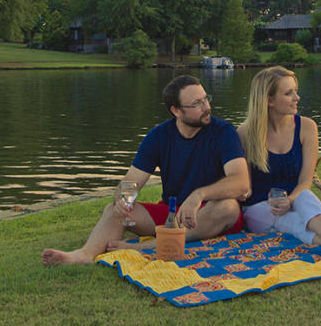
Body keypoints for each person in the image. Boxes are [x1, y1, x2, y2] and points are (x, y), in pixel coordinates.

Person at [41, 74, 250, 266]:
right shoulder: (158, 136)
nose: (206, 107)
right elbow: (131, 182)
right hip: (171, 215)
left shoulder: (223, 132)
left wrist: (199, 195)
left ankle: (145, 247)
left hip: (209, 215)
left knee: (228, 207)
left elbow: (241, 182)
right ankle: (84, 255)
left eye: (206, 99)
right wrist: (123, 200)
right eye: (197, 103)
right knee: (113, 211)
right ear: (176, 110)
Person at [237, 66, 321, 254]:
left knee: (306, 196)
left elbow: (306, 181)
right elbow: (245, 186)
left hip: (295, 198)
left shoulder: (307, 127)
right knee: (290, 221)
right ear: (269, 100)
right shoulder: (245, 133)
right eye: (289, 93)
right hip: (260, 207)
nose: (297, 98)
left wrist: (290, 201)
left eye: (295, 92)